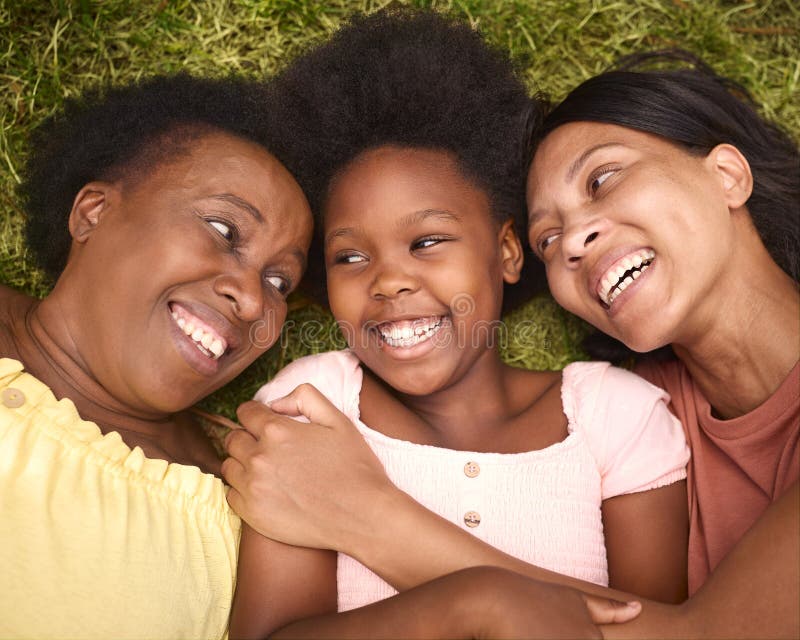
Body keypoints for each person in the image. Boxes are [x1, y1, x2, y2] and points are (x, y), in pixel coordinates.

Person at [223, 49, 799, 639]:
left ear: (727, 175)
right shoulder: (655, 411)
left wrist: (373, 517)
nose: (573, 239)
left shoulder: (615, 420)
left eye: (602, 179)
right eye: (548, 237)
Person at [0, 73, 314, 639]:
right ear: (92, 213)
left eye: (279, 281)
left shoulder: (242, 508)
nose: (251, 299)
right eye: (223, 229)